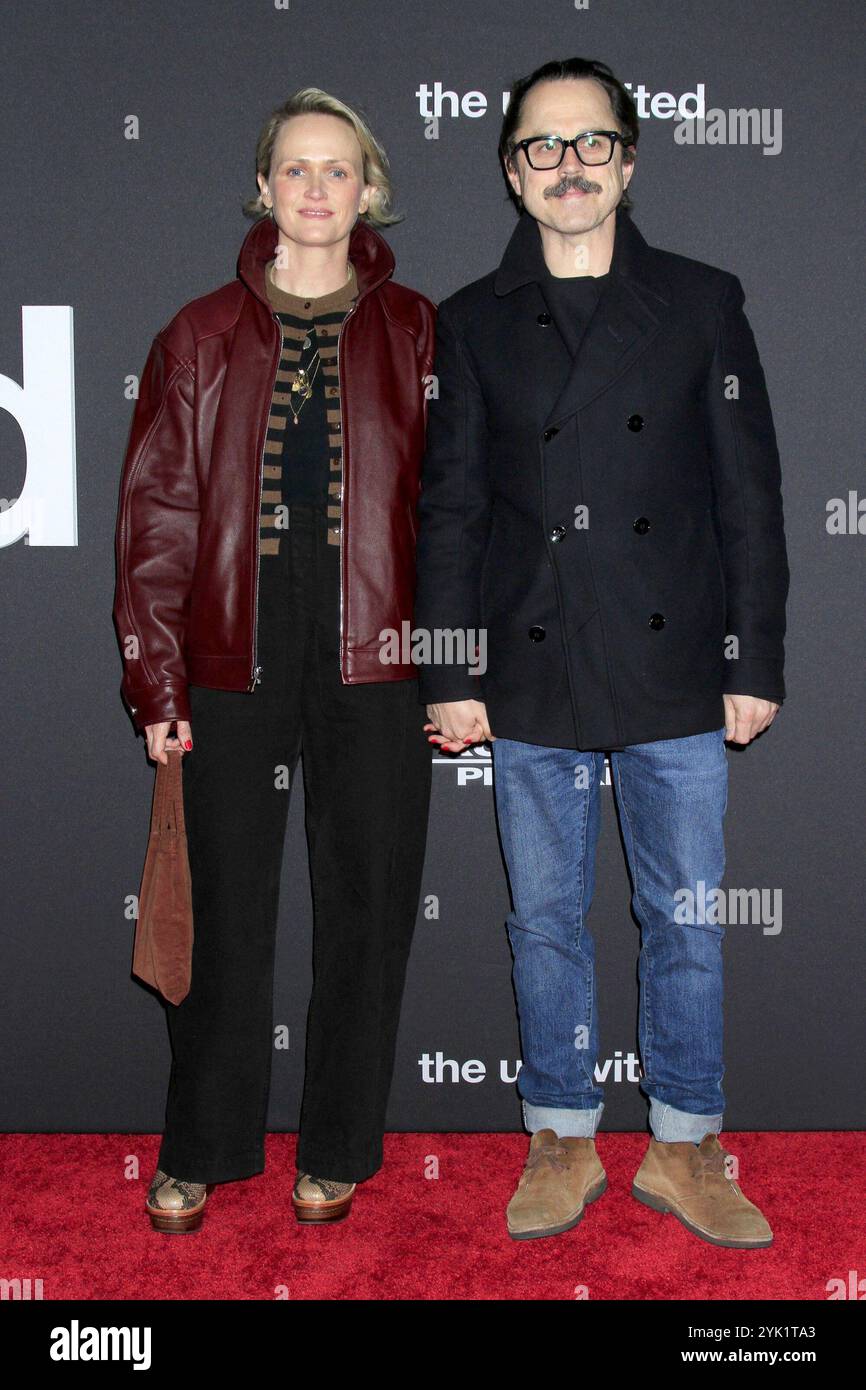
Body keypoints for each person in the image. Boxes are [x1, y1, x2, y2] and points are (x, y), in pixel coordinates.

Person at [415, 58, 789, 1247]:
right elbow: (450, 510)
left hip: (674, 660)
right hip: (526, 667)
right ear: (512, 173)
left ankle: (683, 1146)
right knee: (542, 921)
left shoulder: (700, 300)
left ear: (626, 159)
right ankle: (562, 1135)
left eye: (589, 144)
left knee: (682, 915)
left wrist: (756, 658)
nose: (566, 166)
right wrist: (448, 670)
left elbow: (750, 498)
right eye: (541, 147)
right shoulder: (467, 320)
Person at [112, 88, 435, 1231]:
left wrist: (451, 672)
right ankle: (201, 1144)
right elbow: (155, 519)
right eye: (293, 169)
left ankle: (339, 1143)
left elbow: (451, 516)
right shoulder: (196, 335)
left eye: (335, 170)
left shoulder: (417, 330)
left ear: (368, 190)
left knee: (368, 908)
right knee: (223, 917)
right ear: (262, 188)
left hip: (379, 655)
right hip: (227, 651)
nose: (313, 189)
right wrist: (156, 682)